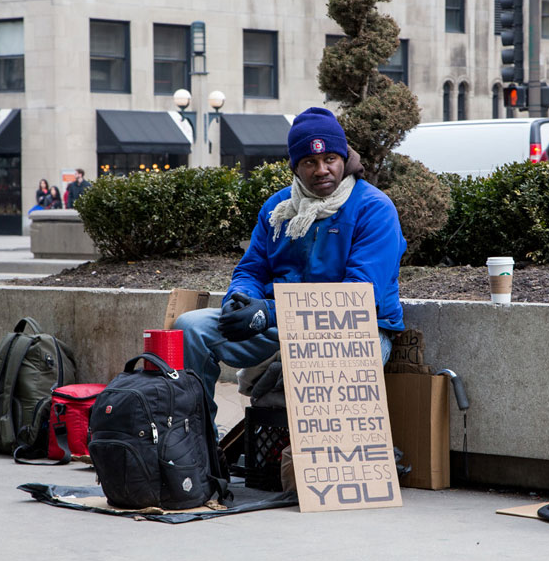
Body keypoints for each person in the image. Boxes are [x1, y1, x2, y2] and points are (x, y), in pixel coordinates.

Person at [174, 107, 407, 427]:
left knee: (328, 352)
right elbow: (252, 268)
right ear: (296, 167)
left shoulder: (374, 208)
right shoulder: (278, 208)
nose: (321, 169)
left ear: (345, 159)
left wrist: (267, 312)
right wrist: (239, 301)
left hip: (352, 329)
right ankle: (199, 447)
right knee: (190, 328)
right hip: (279, 322)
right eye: (310, 162)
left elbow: (357, 296)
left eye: (330, 160)